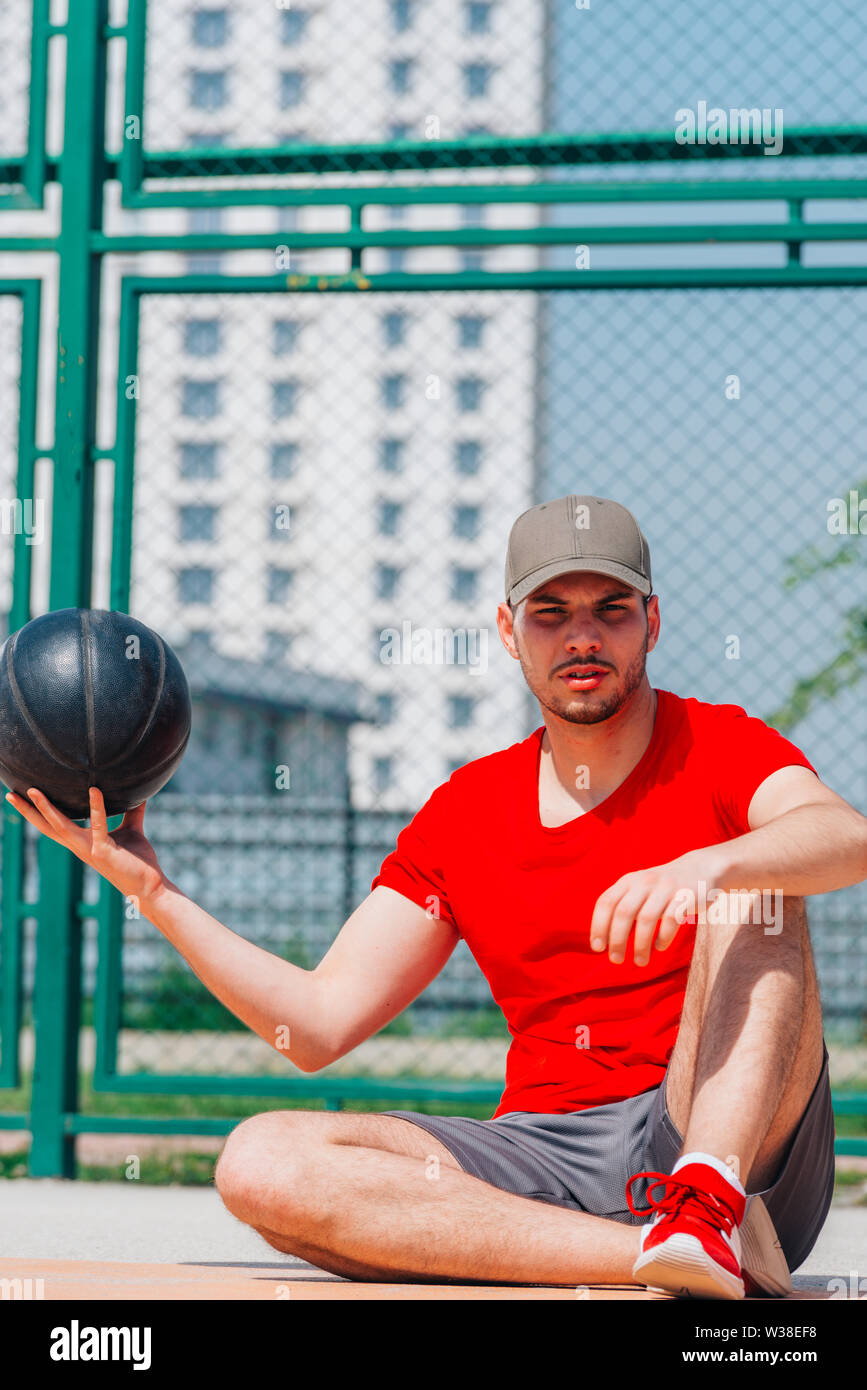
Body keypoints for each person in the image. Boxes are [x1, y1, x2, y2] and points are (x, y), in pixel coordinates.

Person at [10, 494, 867, 1299]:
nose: (582, 637)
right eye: (549, 613)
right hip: (544, 1151)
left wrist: (706, 867)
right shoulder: (468, 811)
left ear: (651, 623)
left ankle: (706, 1210)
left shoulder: (717, 745)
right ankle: (665, 1257)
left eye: (610, 610)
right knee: (261, 1161)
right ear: (507, 630)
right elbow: (314, 1025)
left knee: (761, 888)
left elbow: (845, 839)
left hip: (719, 1130)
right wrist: (152, 889)